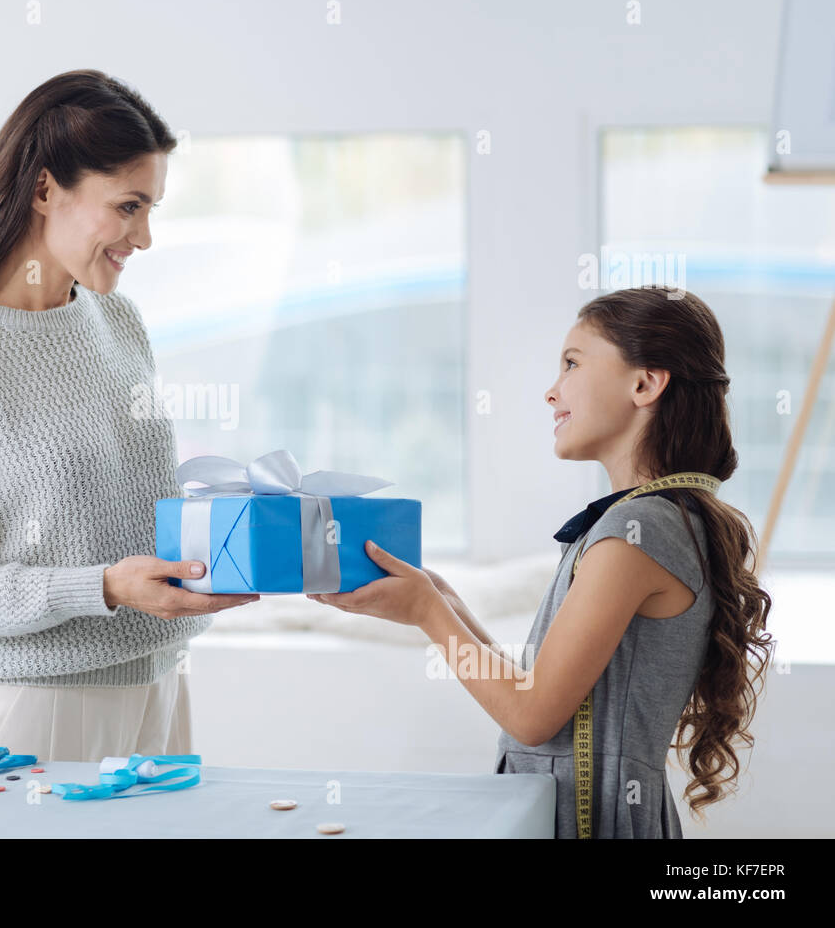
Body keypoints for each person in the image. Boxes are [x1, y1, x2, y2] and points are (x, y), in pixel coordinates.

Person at [0, 70, 258, 764]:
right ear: (46, 189)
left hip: (160, 687)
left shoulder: (117, 320)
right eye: (129, 206)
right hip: (35, 710)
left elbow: (115, 505)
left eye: (151, 209)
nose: (144, 236)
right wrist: (100, 587)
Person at [311, 286, 775, 837]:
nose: (551, 393)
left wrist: (428, 615)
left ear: (645, 383)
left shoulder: (638, 532)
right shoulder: (649, 520)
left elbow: (531, 717)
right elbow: (539, 688)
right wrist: (442, 598)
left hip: (593, 819)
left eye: (572, 364)